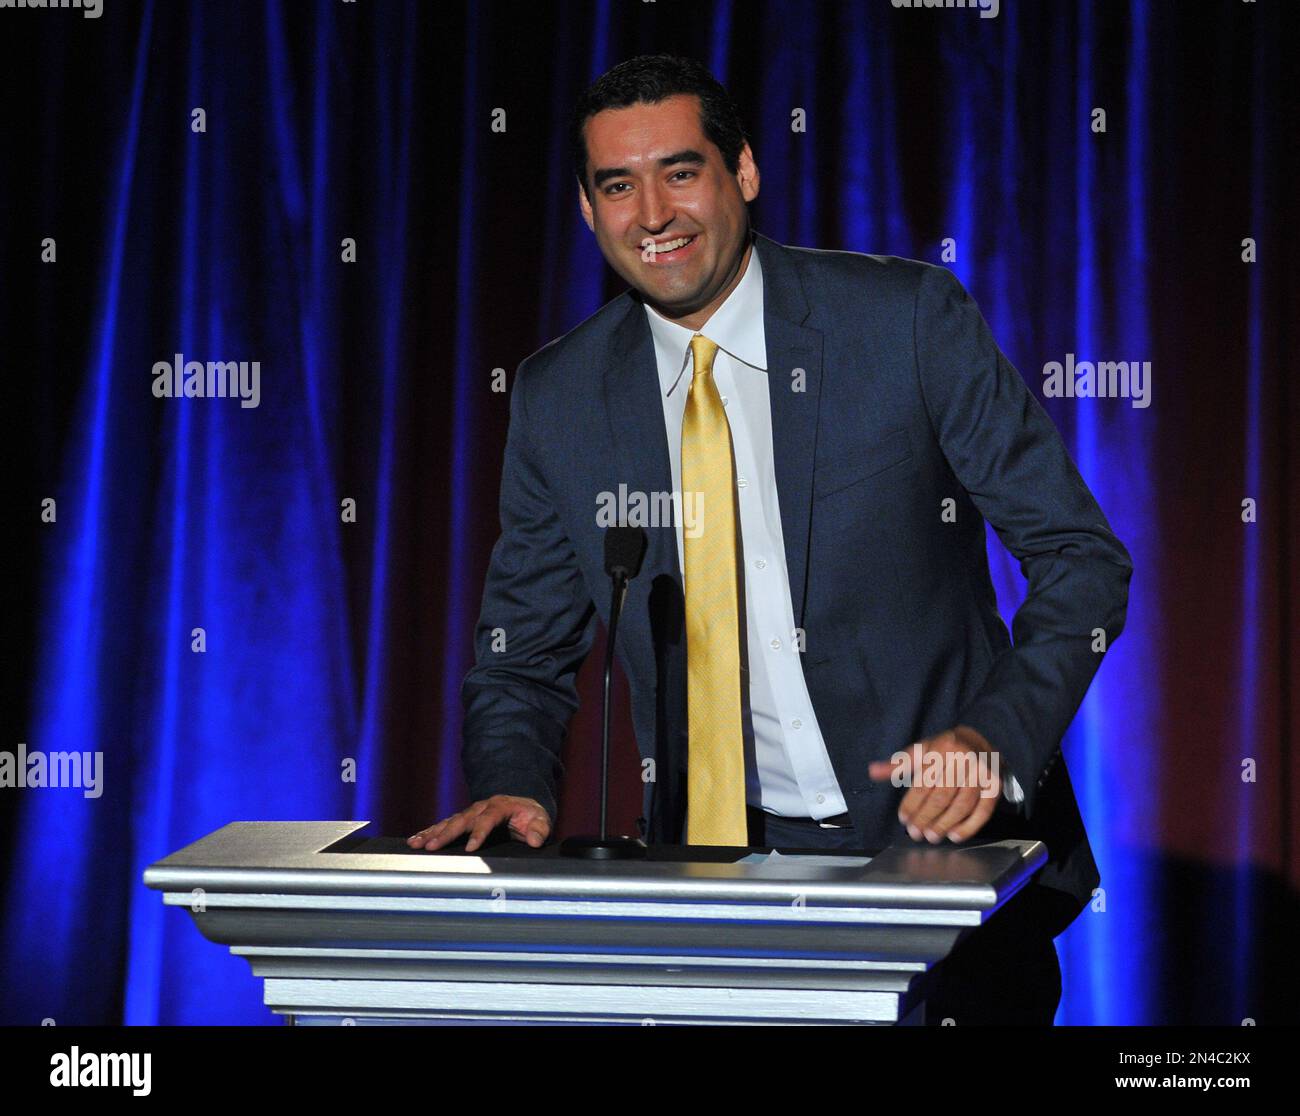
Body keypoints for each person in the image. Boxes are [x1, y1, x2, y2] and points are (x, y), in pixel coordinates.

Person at [408, 54, 1132, 1025]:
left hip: (952, 883)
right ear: (588, 212)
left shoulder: (903, 322)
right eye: (617, 185)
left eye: (679, 171)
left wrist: (994, 737)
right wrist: (509, 786)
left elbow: (1083, 560)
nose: (652, 212)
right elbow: (519, 662)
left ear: (742, 172)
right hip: (715, 900)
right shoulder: (561, 400)